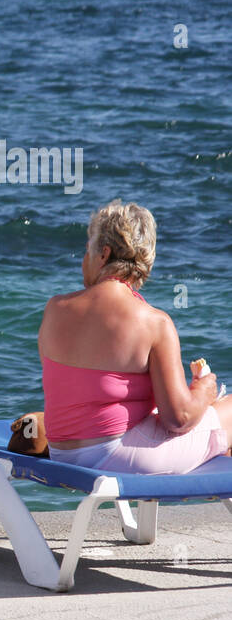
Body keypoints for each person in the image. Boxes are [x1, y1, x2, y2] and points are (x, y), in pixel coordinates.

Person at [40, 201, 230, 473]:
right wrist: (204, 390)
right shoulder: (154, 322)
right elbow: (179, 418)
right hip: (119, 458)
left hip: (62, 453)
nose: (84, 261)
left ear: (103, 254)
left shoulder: (54, 309)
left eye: (86, 251)